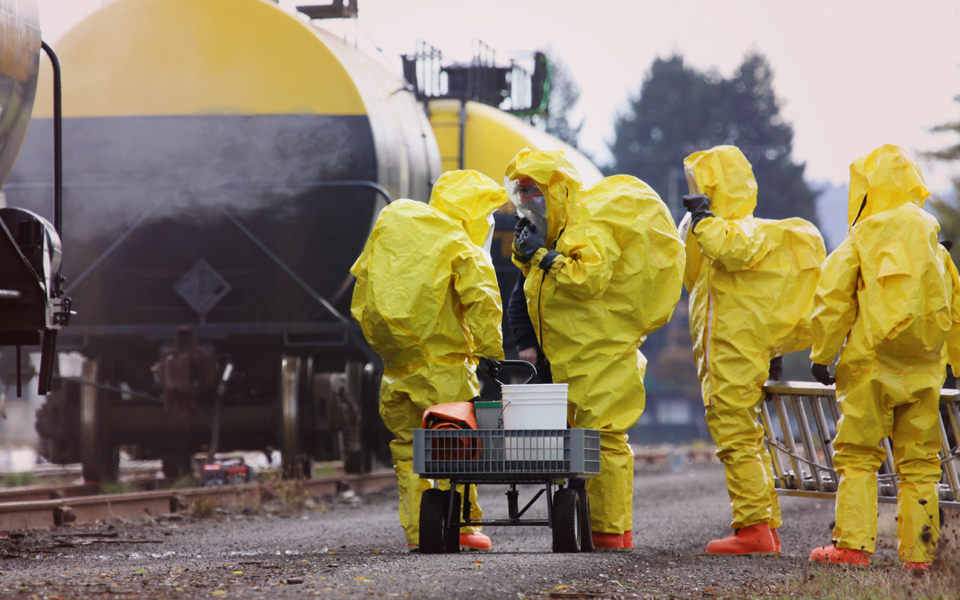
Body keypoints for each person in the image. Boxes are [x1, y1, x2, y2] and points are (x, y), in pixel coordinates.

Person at [507, 149, 685, 551]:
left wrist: (540, 255)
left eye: (535, 193)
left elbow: (589, 278)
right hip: (572, 356)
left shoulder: (585, 227)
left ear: (556, 192)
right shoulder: (554, 236)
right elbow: (528, 296)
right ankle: (596, 529)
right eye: (522, 195)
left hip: (601, 354)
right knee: (578, 442)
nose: (528, 203)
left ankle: (610, 533)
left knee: (603, 440)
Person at [808, 144, 959, 569]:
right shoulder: (933, 240)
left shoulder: (864, 235)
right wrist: (957, 365)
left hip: (870, 365)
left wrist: (821, 355)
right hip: (926, 368)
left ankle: (852, 547)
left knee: (857, 455)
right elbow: (956, 306)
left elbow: (833, 299)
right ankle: (922, 556)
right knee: (921, 463)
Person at [350, 170, 507, 552]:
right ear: (472, 214)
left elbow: (362, 289)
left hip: (396, 371)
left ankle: (421, 533)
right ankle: (465, 528)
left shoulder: (398, 228)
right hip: (444, 370)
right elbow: (483, 303)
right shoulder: (459, 244)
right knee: (460, 448)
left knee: (408, 451)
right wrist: (493, 356)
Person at [681, 145, 825, 555]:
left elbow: (733, 249)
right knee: (746, 437)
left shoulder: (737, 230)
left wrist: (705, 219)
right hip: (732, 354)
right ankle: (763, 526)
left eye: (702, 184)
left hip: (732, 356)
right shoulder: (725, 235)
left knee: (737, 438)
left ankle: (754, 530)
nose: (695, 193)